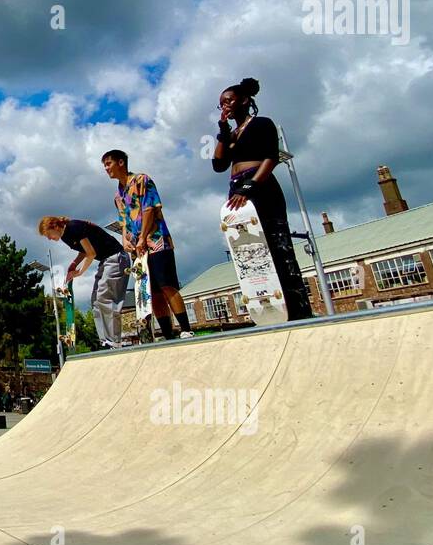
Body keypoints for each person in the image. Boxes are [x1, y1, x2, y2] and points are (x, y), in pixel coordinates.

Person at [213, 77, 313, 320]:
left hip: (259, 185)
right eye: (221, 104)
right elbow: (218, 164)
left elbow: (271, 158)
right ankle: (266, 307)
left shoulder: (262, 124)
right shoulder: (232, 133)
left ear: (244, 100)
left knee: (275, 245)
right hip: (236, 188)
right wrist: (223, 133)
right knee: (250, 248)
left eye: (229, 100)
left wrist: (249, 187)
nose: (225, 106)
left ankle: (296, 308)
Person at [100, 151, 193, 341]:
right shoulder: (118, 194)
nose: (106, 168)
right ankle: (168, 333)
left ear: (120, 162)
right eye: (104, 165)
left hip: (156, 241)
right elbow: (124, 221)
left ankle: (186, 328)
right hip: (138, 250)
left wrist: (143, 237)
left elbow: (149, 209)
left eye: (108, 164)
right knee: (153, 291)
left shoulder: (142, 180)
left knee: (166, 285)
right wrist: (126, 240)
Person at [38, 215, 129, 347]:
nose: (49, 239)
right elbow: (84, 251)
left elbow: (91, 253)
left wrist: (79, 272)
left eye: (48, 235)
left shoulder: (74, 227)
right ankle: (105, 341)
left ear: (55, 227)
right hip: (106, 260)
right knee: (96, 300)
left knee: (105, 297)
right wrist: (75, 263)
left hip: (116, 257)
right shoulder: (65, 237)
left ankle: (114, 340)